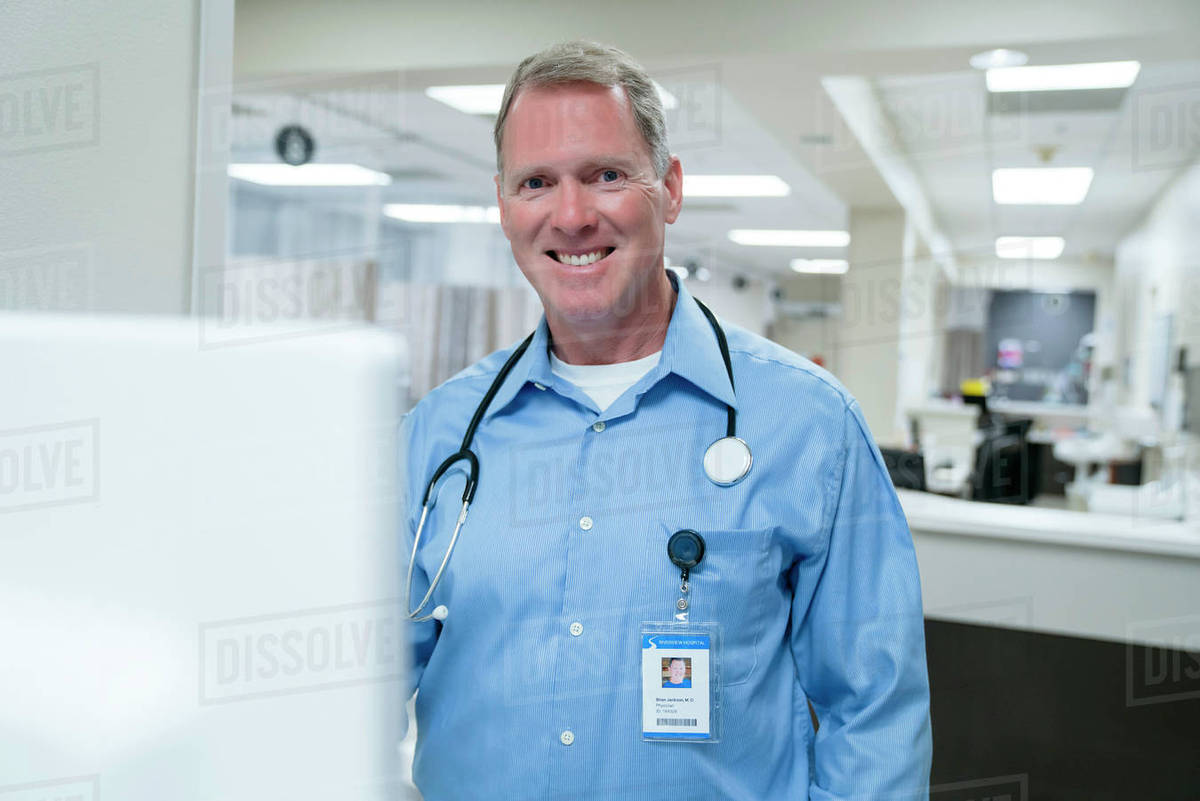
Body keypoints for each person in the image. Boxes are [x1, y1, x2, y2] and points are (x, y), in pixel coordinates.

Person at [402, 40, 931, 801]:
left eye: (606, 175)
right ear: (504, 204)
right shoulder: (438, 436)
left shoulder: (810, 425)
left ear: (670, 188)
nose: (571, 215)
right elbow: (357, 689)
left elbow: (874, 715)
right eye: (536, 182)